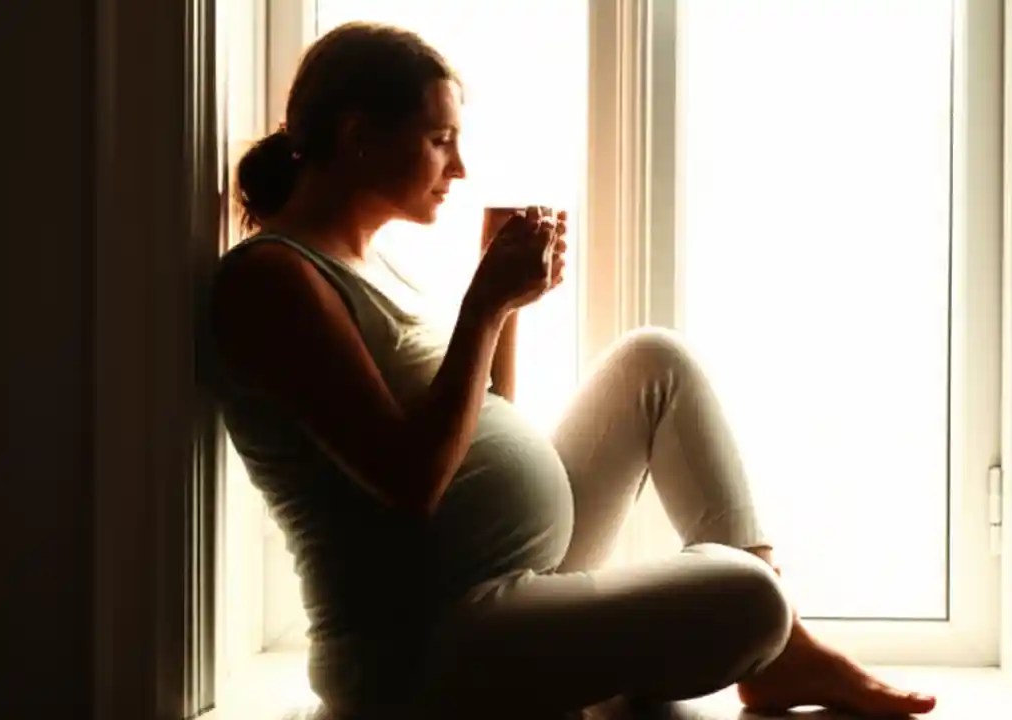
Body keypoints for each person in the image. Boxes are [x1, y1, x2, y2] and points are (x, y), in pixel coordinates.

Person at [208, 21, 938, 719]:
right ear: (359, 138)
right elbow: (410, 482)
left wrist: (508, 305)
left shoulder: (365, 259)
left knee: (654, 360)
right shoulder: (273, 280)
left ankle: (785, 657)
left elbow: (478, 426)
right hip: (424, 644)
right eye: (439, 141)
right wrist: (485, 305)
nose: (458, 168)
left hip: (505, 581)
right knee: (751, 597)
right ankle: (753, 642)